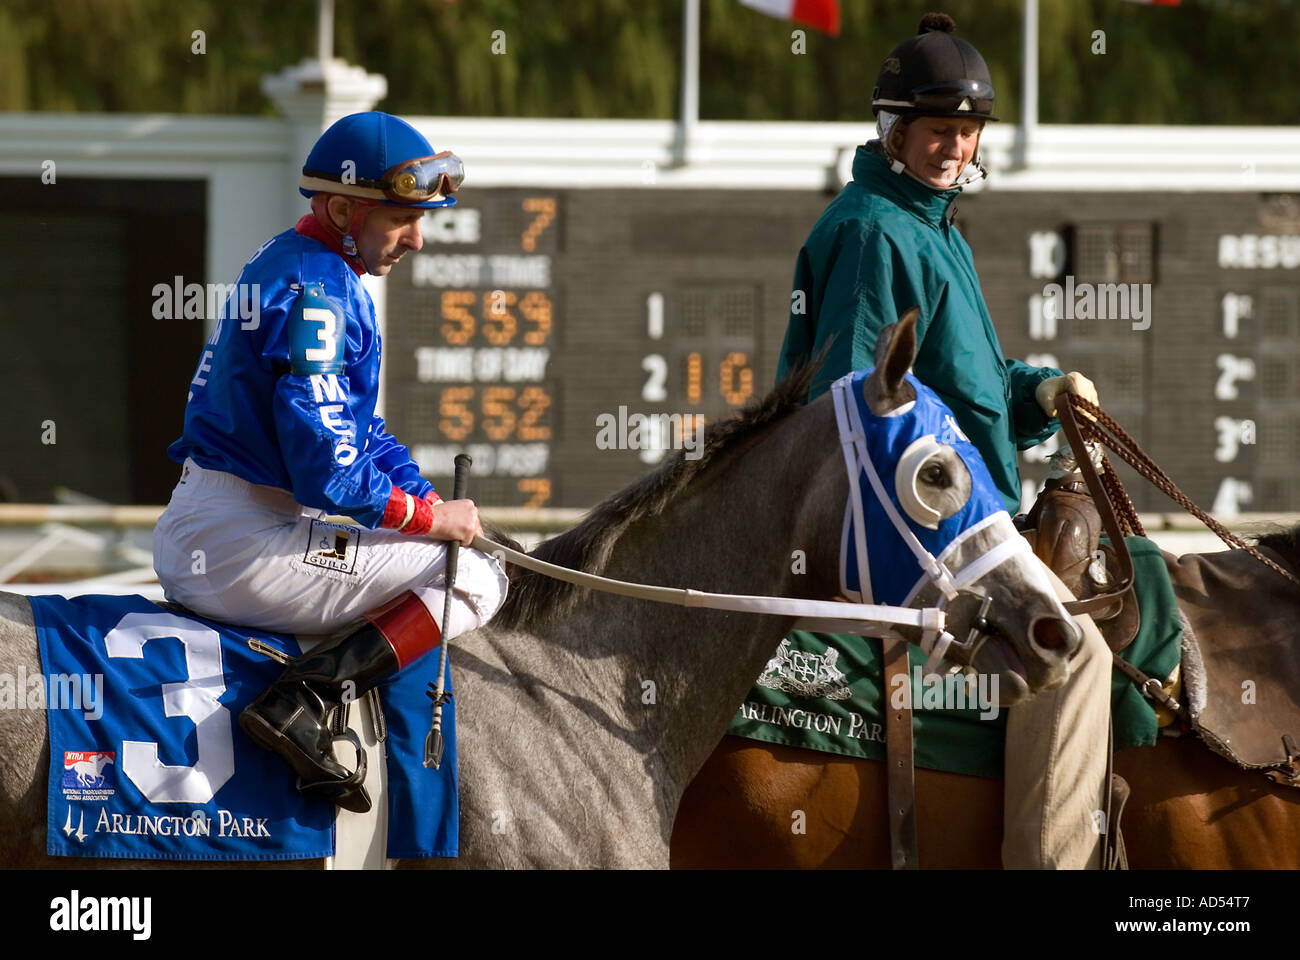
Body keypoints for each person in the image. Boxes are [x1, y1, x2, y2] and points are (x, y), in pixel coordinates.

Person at [775, 13, 1111, 869]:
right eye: (937, 131)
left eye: (966, 132)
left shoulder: (930, 226)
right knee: (1077, 656)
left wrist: (1039, 389)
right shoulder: (875, 230)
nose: (954, 147)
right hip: (924, 537)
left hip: (965, 513)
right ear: (894, 132)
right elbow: (849, 405)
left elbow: (972, 382)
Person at [153, 111, 508, 813]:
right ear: (342, 208)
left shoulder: (307, 264)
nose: (418, 238)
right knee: (479, 576)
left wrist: (431, 505)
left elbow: (362, 434)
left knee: (461, 547)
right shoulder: (318, 291)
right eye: (401, 219)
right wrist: (432, 521)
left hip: (229, 521)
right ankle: (304, 698)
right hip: (242, 540)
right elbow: (328, 474)